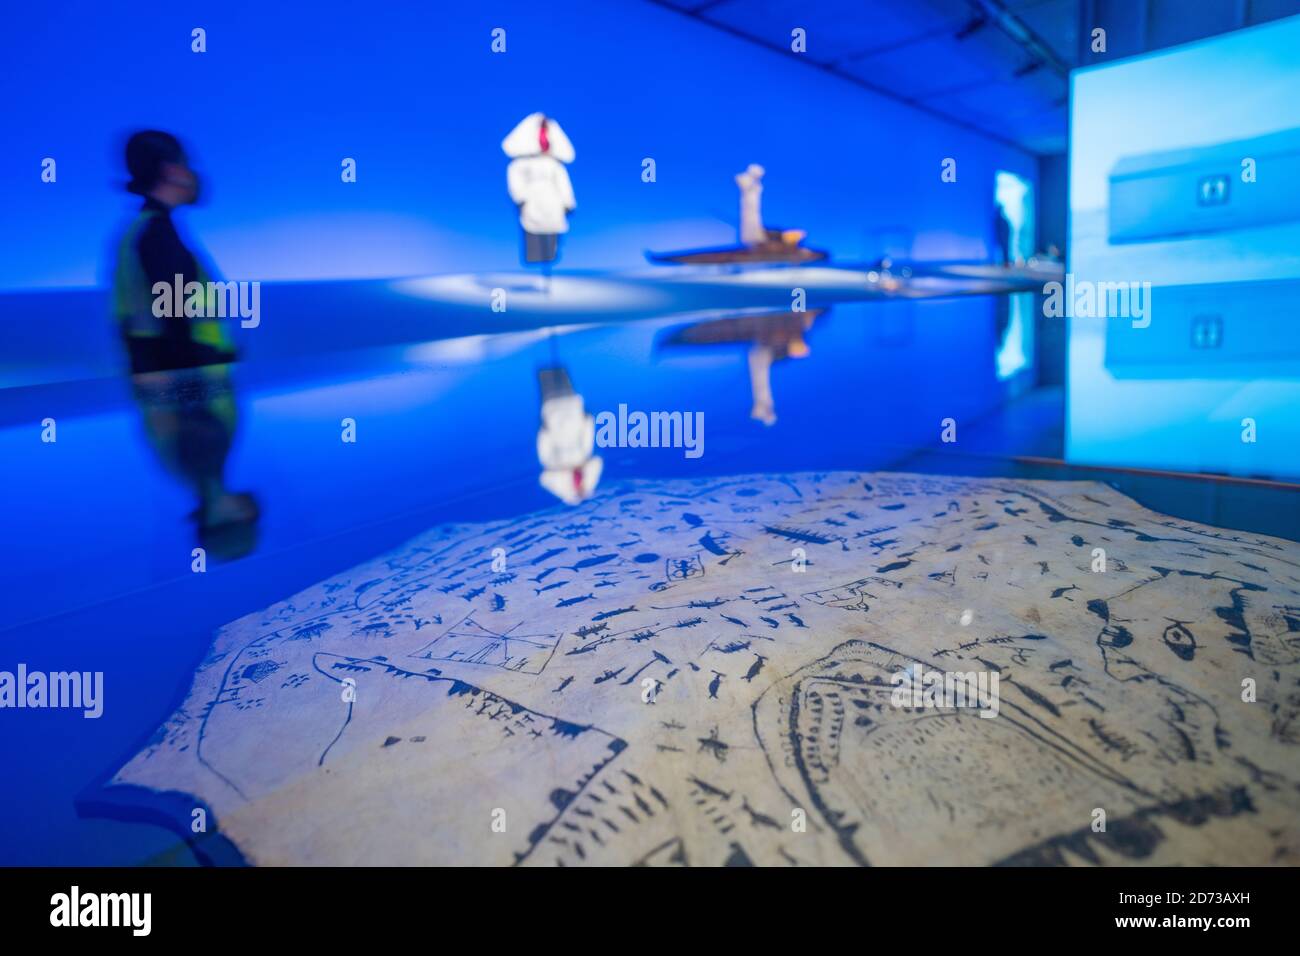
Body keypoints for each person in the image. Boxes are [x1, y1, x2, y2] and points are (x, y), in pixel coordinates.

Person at [111, 130, 258, 552]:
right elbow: (174, 320)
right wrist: (195, 387)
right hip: (192, 389)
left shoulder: (145, 233)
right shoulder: (157, 235)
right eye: (188, 166)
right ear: (173, 171)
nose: (195, 176)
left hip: (182, 387)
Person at [503, 113, 576, 285]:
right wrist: (519, 197)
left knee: (551, 238)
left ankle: (549, 269)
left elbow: (563, 184)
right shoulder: (520, 164)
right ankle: (541, 276)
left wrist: (568, 202)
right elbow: (516, 182)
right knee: (534, 236)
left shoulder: (555, 165)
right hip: (532, 204)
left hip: (553, 205)